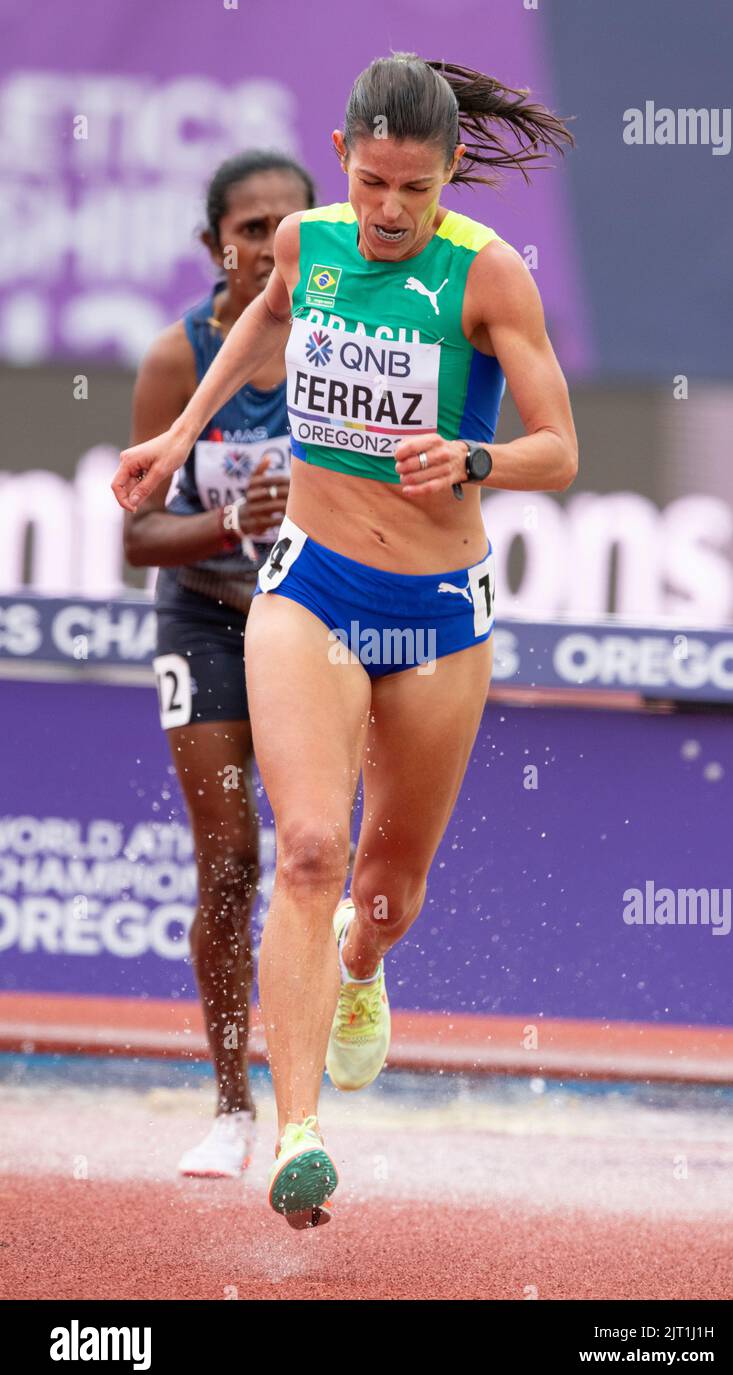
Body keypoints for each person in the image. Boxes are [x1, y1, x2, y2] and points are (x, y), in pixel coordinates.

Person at [113, 53, 578, 1225]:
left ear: (449, 175)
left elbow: (558, 449)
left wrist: (475, 458)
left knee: (384, 885)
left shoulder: (488, 278)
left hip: (434, 614)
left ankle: (362, 970)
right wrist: (173, 442)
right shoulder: (305, 243)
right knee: (310, 845)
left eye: (412, 192)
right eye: (370, 183)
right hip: (310, 587)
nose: (385, 213)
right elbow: (259, 325)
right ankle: (297, 1133)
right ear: (340, 161)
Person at [123, 150, 316, 1179]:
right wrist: (226, 523)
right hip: (203, 622)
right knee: (232, 860)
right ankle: (231, 1105)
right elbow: (137, 534)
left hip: (314, 621)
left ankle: (310, 1095)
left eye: (289, 224)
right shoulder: (179, 354)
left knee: (321, 853)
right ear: (214, 246)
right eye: (250, 228)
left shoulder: (345, 341)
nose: (269, 244)